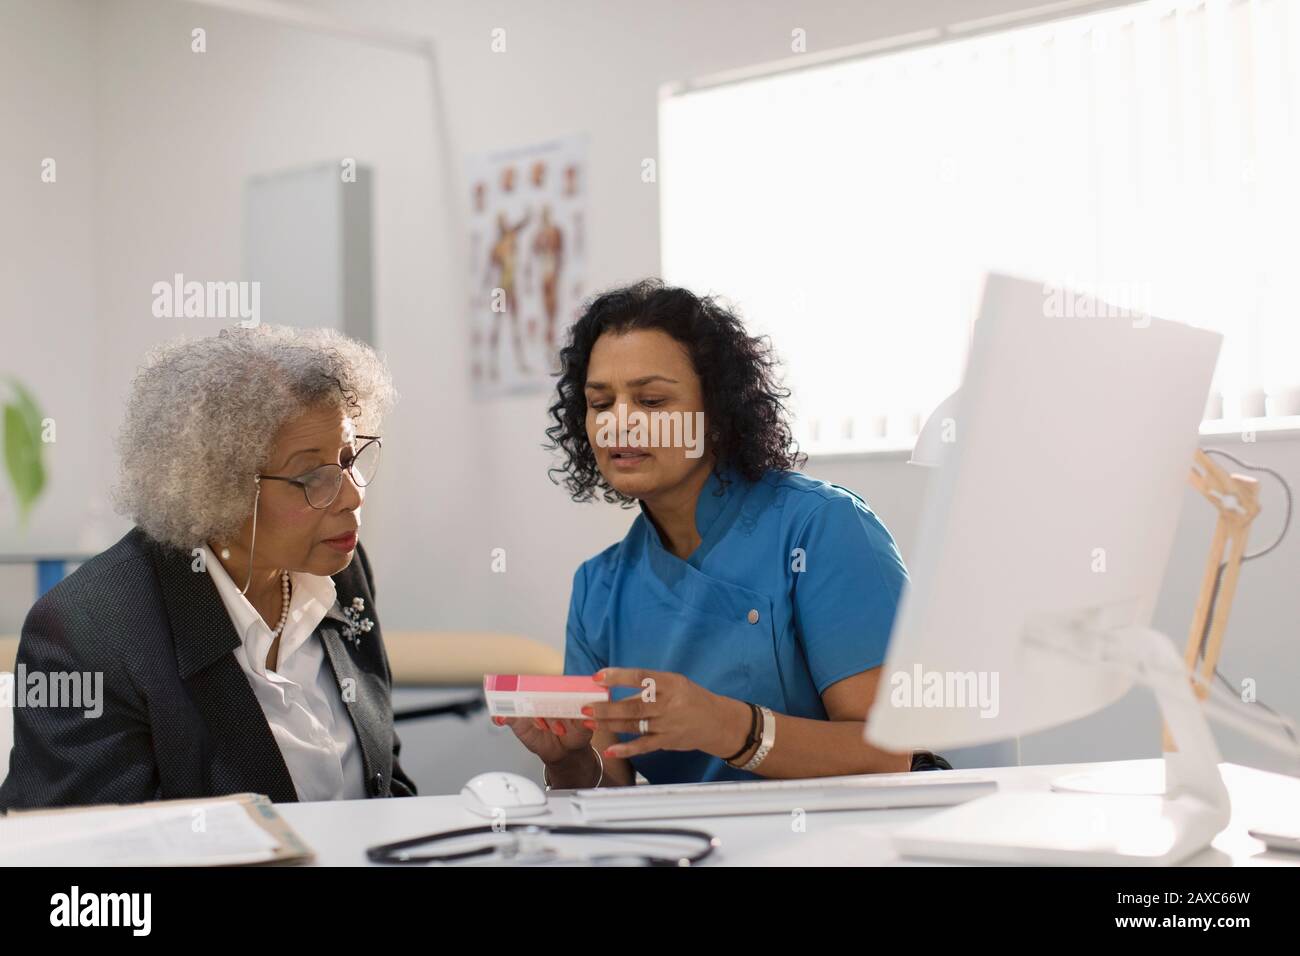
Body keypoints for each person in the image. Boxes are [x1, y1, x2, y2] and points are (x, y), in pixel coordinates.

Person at [501, 279, 913, 787]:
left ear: (716, 415)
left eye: (651, 401)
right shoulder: (598, 587)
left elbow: (891, 756)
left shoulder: (823, 528)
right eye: (601, 403)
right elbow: (611, 794)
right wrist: (568, 760)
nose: (619, 423)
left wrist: (726, 726)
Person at [0, 325, 416, 809]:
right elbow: (81, 852)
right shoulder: (91, 630)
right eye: (311, 476)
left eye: (348, 458)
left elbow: (384, 783)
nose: (352, 495)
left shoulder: (338, 568)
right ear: (217, 487)